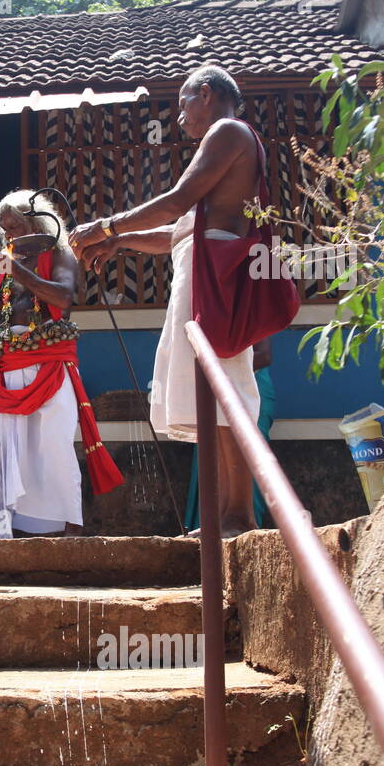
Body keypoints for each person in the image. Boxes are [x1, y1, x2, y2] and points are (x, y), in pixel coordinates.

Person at [73, 65, 263, 537]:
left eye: (182, 103)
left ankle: (239, 517)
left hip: (217, 275)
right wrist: (121, 243)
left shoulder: (228, 130)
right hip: (202, 270)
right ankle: (225, 517)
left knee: (226, 391)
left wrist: (108, 227)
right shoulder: (224, 140)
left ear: (205, 93)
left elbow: (177, 201)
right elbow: (178, 231)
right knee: (211, 396)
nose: (179, 117)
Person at [0, 190, 123, 538]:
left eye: (15, 227)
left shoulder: (61, 255)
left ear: (35, 222)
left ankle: (66, 527)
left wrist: (15, 270)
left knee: (53, 447)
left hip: (50, 364)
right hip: (8, 368)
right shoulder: (7, 263)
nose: (10, 235)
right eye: (5, 230)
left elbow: (62, 297)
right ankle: (1, 532)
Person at [185, 337, 275, 529]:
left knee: (248, 455)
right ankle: (216, 521)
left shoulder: (250, 309)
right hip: (216, 385)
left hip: (251, 386)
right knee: (212, 456)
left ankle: (242, 521)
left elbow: (265, 355)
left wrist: (225, 366)